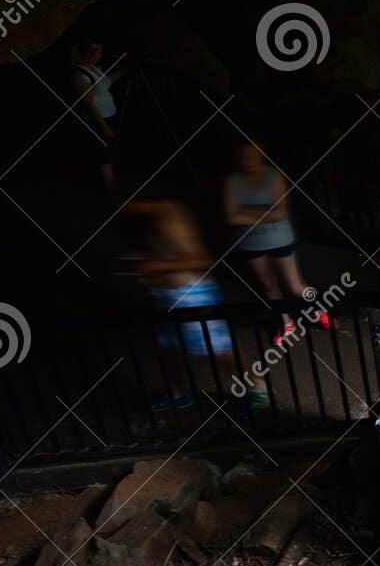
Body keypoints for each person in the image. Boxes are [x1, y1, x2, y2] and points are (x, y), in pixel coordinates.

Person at [124, 198, 266, 412]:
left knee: (218, 350)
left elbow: (201, 261)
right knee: (170, 348)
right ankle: (177, 394)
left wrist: (157, 265)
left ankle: (257, 388)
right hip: (166, 296)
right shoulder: (148, 220)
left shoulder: (171, 214)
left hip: (191, 295)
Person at [223, 139, 330, 344]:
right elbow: (230, 216)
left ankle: (320, 309)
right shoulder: (232, 181)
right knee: (268, 284)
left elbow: (280, 212)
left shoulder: (274, 176)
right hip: (250, 241)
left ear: (261, 155)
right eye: (244, 156)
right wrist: (265, 212)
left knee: (294, 285)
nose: (248, 160)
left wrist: (245, 212)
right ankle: (286, 323)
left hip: (279, 237)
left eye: (253, 155)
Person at [68, 39, 120, 194]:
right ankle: (109, 188)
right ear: (88, 54)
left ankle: (110, 183)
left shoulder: (94, 69)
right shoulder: (79, 74)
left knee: (108, 151)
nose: (100, 55)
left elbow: (107, 82)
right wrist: (103, 126)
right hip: (97, 120)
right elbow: (89, 104)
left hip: (109, 116)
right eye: (98, 52)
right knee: (102, 153)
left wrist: (124, 70)